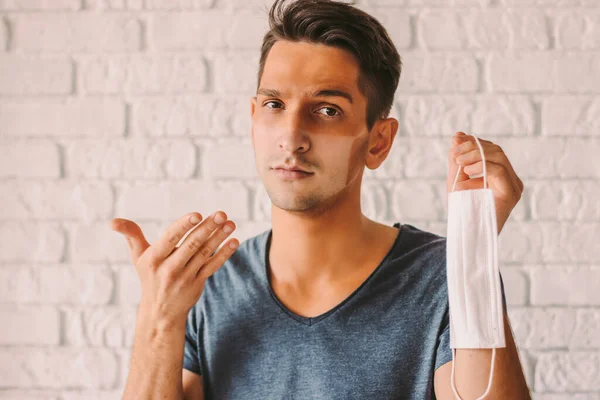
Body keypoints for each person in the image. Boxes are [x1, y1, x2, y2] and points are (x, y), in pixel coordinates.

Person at [112, 0, 530, 398]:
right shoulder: (207, 286)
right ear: (253, 119)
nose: (291, 137)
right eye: (274, 104)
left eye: (327, 110)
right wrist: (158, 316)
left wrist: (473, 246)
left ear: (378, 142)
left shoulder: (444, 275)